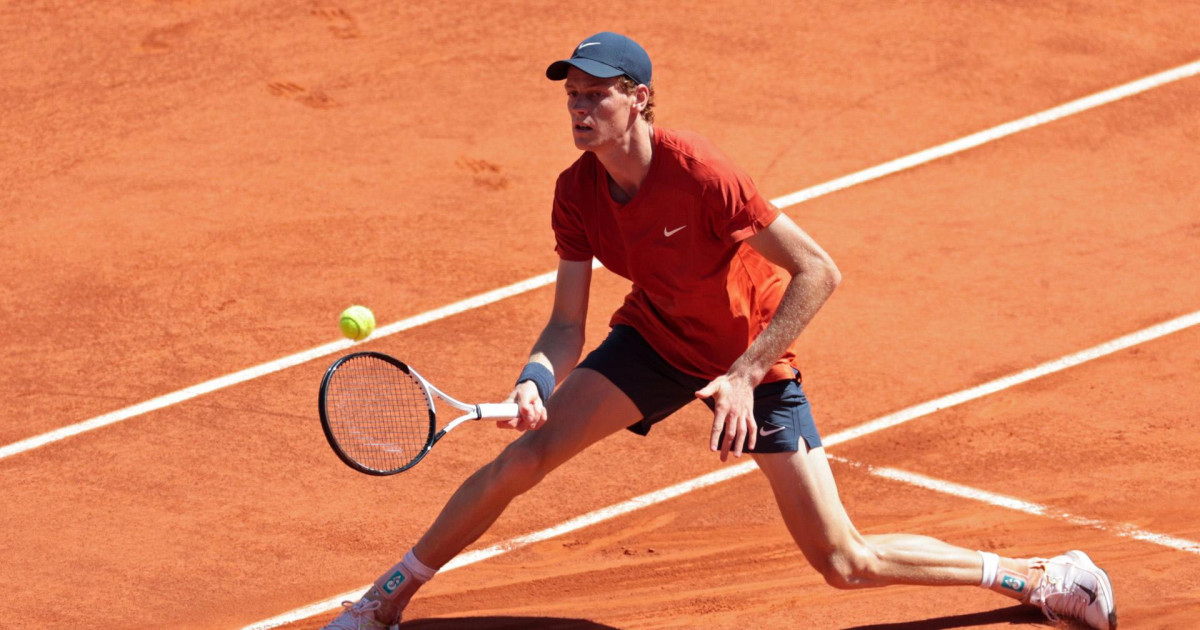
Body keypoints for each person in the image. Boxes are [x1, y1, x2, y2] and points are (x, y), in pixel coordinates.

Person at [324, 32, 1118, 630]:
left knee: (844, 562)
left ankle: (1035, 576)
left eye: (595, 94)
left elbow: (818, 270)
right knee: (523, 455)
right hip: (655, 340)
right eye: (570, 94)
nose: (578, 107)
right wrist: (535, 383)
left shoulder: (700, 172)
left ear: (638, 98)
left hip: (754, 362)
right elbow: (566, 323)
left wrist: (744, 371)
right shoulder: (576, 193)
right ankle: (388, 598)